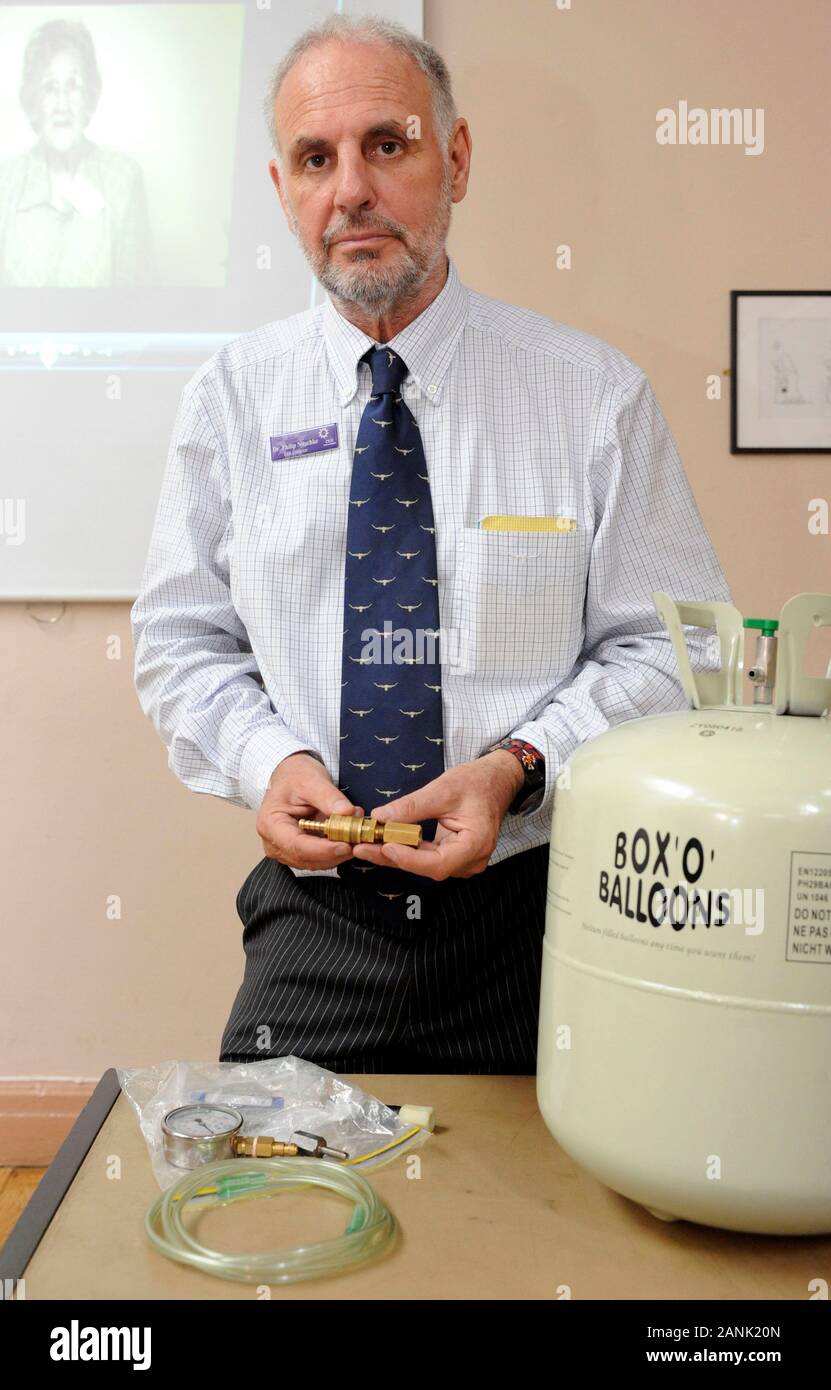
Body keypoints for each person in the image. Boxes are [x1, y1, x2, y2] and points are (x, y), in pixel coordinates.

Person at [131, 14, 732, 1075]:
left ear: (454, 160)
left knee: (552, 1225)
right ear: (283, 189)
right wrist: (271, 761)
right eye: (316, 159)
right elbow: (181, 643)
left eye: (387, 145)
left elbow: (680, 652)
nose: (350, 189)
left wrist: (518, 767)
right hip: (320, 920)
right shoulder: (229, 403)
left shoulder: (592, 397)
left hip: (541, 914)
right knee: (275, 1207)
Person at [0, 18, 152, 288]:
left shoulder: (125, 179)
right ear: (34, 101)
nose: (62, 104)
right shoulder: (5, 182)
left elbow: (135, 308)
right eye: (49, 88)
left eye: (74, 86)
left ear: (90, 98)